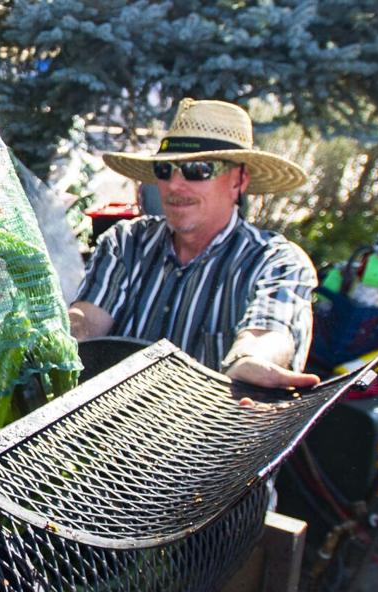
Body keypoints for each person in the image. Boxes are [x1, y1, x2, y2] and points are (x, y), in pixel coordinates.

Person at [69, 98, 321, 390]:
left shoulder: (274, 261)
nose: (175, 185)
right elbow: (88, 318)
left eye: (198, 170)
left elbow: (268, 332)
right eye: (165, 171)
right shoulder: (126, 242)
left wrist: (250, 360)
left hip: (210, 429)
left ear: (239, 180)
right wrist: (62, 335)